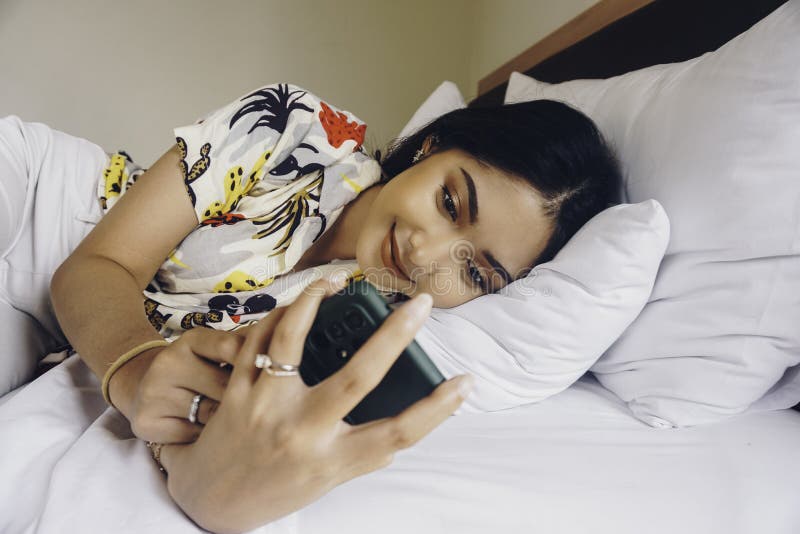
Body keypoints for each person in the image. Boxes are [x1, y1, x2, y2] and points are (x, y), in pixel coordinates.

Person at [0, 81, 621, 530]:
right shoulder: (297, 129)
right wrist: (135, 376)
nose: (428, 252)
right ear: (431, 147)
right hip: (46, 208)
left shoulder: (369, 326)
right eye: (450, 203)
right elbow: (95, 268)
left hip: (64, 332)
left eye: (477, 270)